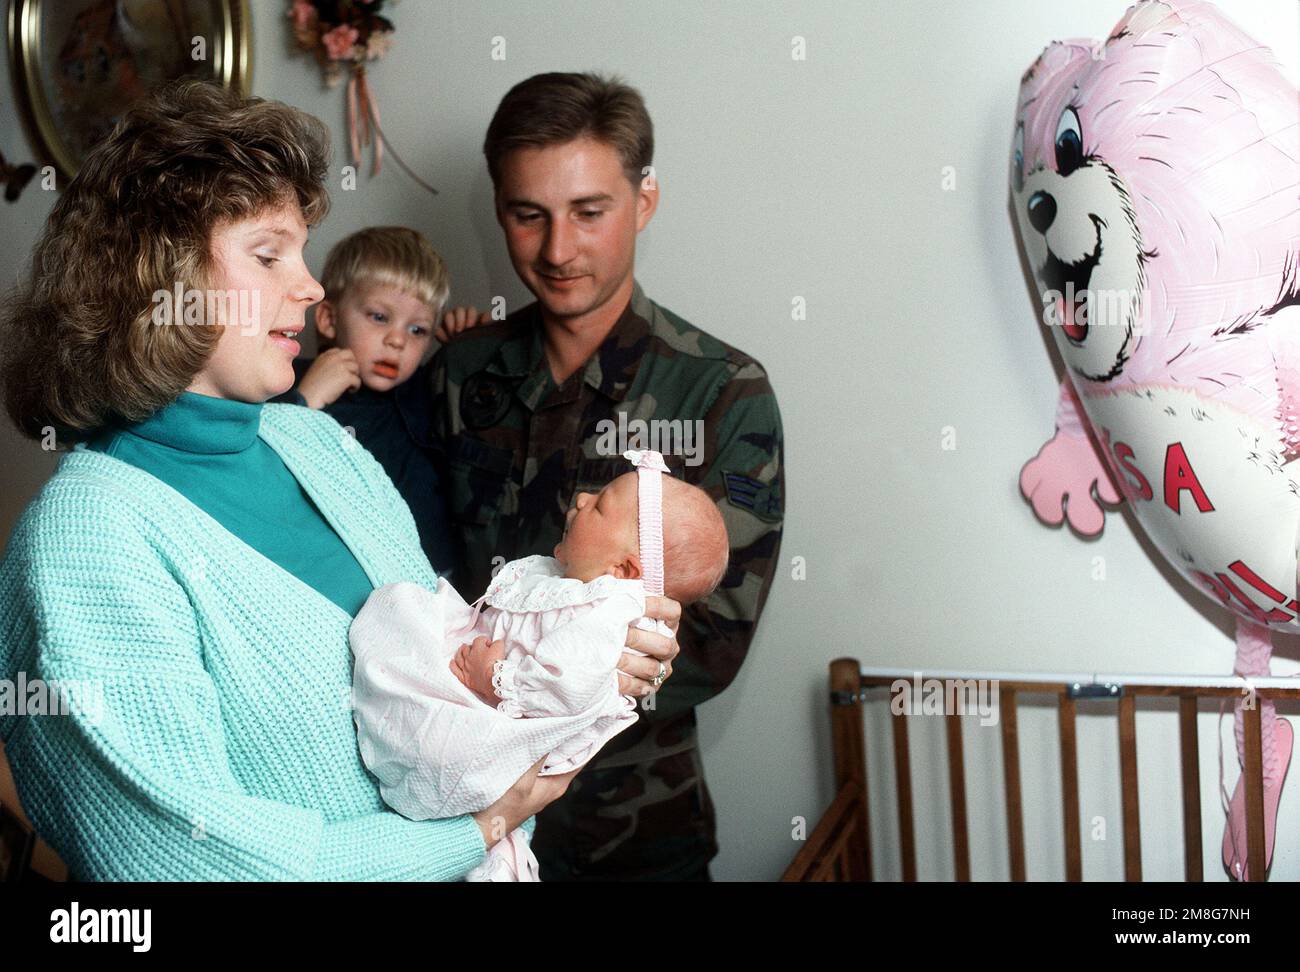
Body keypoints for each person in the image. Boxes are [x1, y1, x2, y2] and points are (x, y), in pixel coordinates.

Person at [0, 79, 633, 880]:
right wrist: (475, 831)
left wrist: (587, 641)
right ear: (155, 279)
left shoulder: (317, 442)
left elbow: (453, 679)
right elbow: (188, 863)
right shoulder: (87, 540)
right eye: (268, 255)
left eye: (301, 253)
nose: (309, 286)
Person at [432, 72, 785, 881]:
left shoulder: (722, 390)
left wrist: (543, 686)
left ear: (645, 200)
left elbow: (714, 635)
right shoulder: (461, 373)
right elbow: (427, 573)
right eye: (530, 215)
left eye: (589, 212)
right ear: (498, 211)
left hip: (635, 827)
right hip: (459, 817)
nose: (558, 250)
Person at [348, 450, 729, 881]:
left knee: (415, 663)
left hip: (529, 731)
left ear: (622, 569)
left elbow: (559, 685)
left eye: (600, 505)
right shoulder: (572, 584)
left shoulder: (604, 615)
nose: (582, 498)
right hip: (491, 683)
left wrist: (492, 678)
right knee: (405, 610)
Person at [270, 226, 456, 575]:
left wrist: (469, 340)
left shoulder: (424, 387)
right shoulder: (290, 381)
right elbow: (263, 471)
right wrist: (305, 400)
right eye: (379, 317)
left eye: (418, 330)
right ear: (328, 318)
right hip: (347, 579)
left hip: (437, 578)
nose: (397, 341)